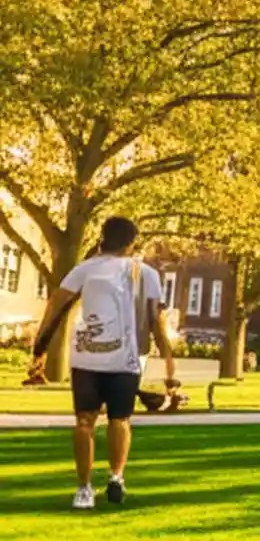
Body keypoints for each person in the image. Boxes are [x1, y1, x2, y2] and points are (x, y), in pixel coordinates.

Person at [26, 216, 175, 510]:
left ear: (103, 238)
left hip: (86, 357)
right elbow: (157, 320)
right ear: (132, 242)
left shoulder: (85, 269)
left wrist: (40, 346)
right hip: (126, 358)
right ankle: (117, 477)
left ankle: (84, 489)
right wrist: (169, 360)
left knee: (84, 422)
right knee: (119, 419)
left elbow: (56, 303)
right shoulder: (145, 272)